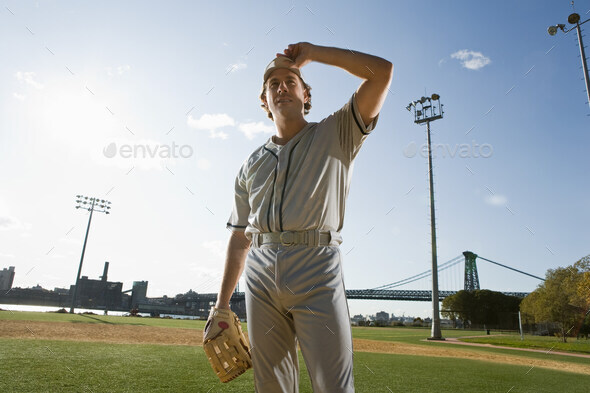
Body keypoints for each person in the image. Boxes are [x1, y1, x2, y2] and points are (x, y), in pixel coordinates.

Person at [215, 42, 392, 393]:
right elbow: (239, 238)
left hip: (316, 267)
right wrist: (221, 307)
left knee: (333, 386)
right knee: (272, 387)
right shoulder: (250, 164)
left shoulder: (338, 132)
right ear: (264, 101)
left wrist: (313, 53)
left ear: (306, 94)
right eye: (273, 84)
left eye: (290, 81)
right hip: (260, 273)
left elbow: (382, 72)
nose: (281, 87)